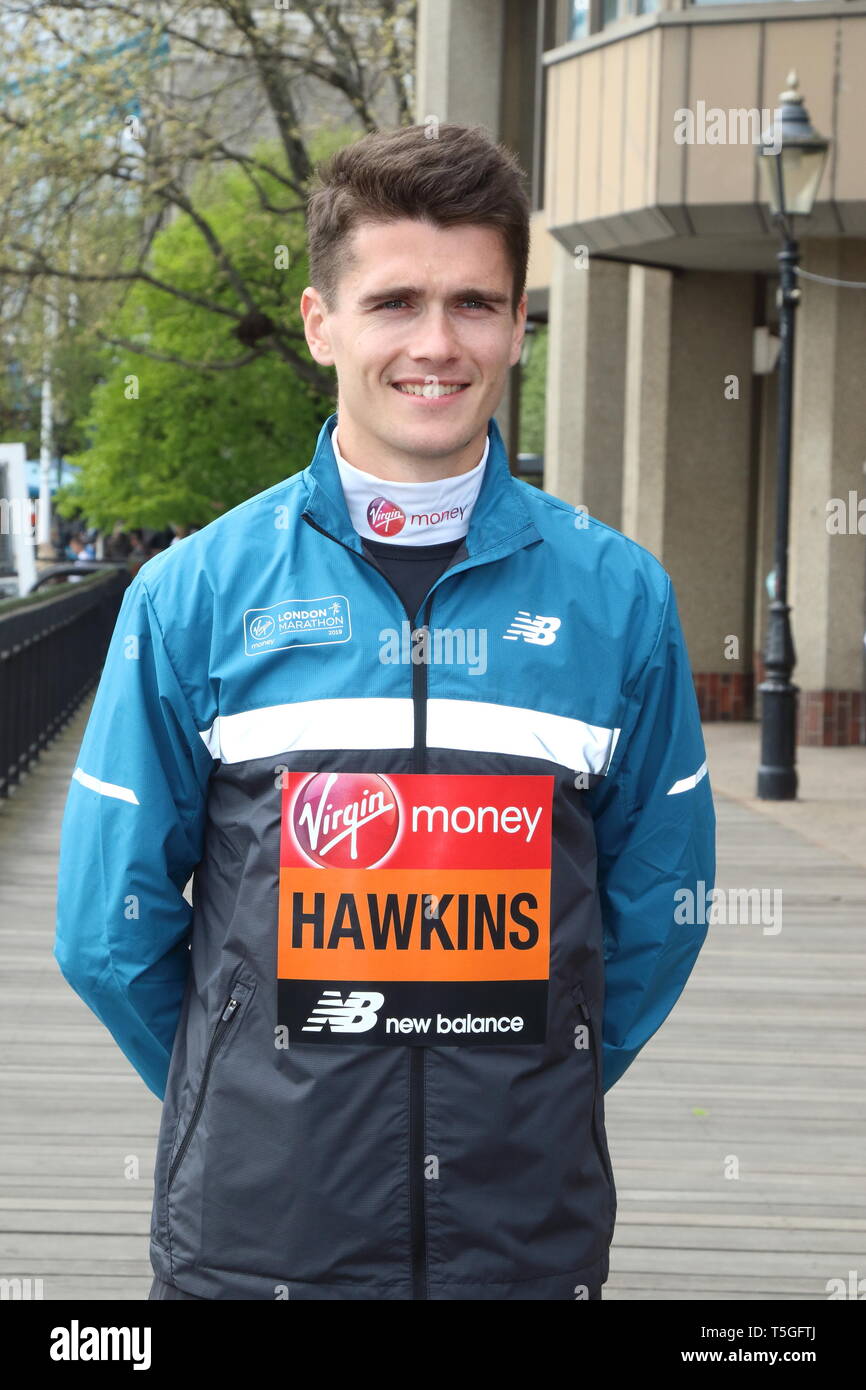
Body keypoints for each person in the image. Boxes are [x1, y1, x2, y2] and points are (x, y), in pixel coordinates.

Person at [53, 123, 716, 1302]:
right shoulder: (192, 594)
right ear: (321, 323)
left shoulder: (619, 598)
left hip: (522, 1239)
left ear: (519, 324)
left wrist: (529, 1083)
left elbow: (661, 910)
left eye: (473, 303)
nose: (434, 343)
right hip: (255, 1243)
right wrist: (246, 1094)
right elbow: (107, 929)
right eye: (394, 301)